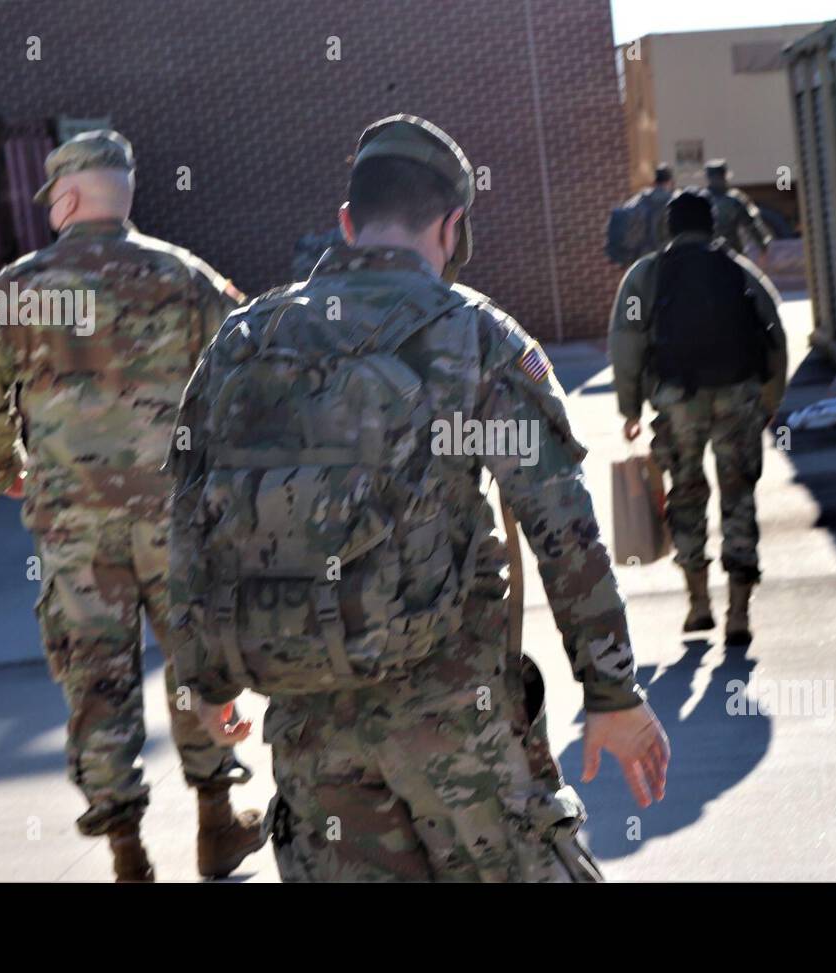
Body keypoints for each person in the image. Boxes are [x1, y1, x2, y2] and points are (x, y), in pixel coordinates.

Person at [169, 114, 670, 882]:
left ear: (347, 222)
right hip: (455, 722)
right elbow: (561, 526)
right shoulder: (476, 337)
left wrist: (204, 684)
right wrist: (612, 692)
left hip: (309, 731)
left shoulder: (242, 340)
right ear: (452, 225)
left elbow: (190, 525)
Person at [0, 129, 265, 882]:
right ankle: (217, 824)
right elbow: (249, 374)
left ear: (68, 196)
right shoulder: (184, 276)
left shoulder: (22, 286)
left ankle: (128, 855)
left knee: (95, 675)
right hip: (175, 518)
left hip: (74, 527)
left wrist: (2, 469)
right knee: (195, 659)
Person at [609, 188, 788, 642]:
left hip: (676, 402)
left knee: (686, 495)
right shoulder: (738, 270)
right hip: (738, 397)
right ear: (712, 226)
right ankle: (740, 614)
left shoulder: (646, 275)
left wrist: (630, 407)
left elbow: (626, 340)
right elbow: (775, 332)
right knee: (738, 497)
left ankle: (698, 604)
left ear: (667, 228)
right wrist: (770, 399)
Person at [702, 159, 773, 258]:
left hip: (707, 254)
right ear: (725, 176)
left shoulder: (700, 199)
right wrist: (762, 246)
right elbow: (751, 225)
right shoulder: (734, 199)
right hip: (733, 253)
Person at [607, 164, 675, 266]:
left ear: (654, 182)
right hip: (666, 261)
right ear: (670, 182)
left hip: (641, 262)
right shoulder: (674, 202)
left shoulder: (638, 200)